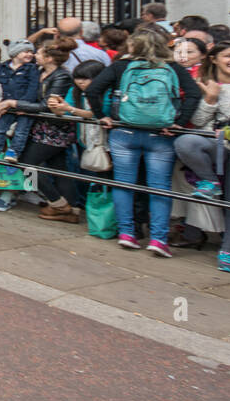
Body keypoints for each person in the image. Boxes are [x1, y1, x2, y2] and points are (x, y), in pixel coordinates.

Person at [86, 30, 202, 257]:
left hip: (124, 132)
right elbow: (194, 94)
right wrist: (178, 122)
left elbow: (93, 90)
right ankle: (158, 239)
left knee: (124, 184)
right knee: (159, 187)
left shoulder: (119, 67)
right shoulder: (173, 68)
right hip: (160, 134)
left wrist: (102, 115)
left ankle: (127, 234)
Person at [172, 41, 230, 271]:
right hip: (212, 148)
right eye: (228, 55)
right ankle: (210, 182)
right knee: (186, 141)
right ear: (214, 58)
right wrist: (211, 99)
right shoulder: (204, 85)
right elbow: (197, 122)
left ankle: (227, 250)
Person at [5, 37, 79, 222]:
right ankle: (69, 209)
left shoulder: (62, 76)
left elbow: (47, 105)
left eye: (38, 53)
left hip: (55, 130)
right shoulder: (38, 72)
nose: (34, 55)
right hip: (39, 127)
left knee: (24, 162)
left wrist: (15, 103)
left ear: (49, 58)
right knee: (58, 167)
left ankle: (57, 202)